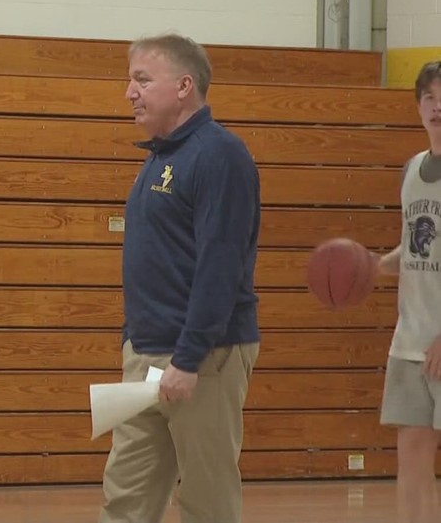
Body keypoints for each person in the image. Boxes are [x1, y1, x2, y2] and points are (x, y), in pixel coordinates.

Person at [98, 34, 262, 523]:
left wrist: (188, 358)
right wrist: (134, 341)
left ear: (184, 86)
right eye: (131, 80)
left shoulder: (220, 156)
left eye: (143, 80)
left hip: (202, 358)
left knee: (206, 501)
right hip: (147, 355)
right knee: (125, 496)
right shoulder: (157, 158)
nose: (130, 92)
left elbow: (220, 265)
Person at [372, 60, 441, 523]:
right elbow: (417, 244)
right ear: (418, 106)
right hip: (410, 342)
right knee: (411, 462)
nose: (437, 105)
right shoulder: (412, 170)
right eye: (429, 97)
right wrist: (373, 266)